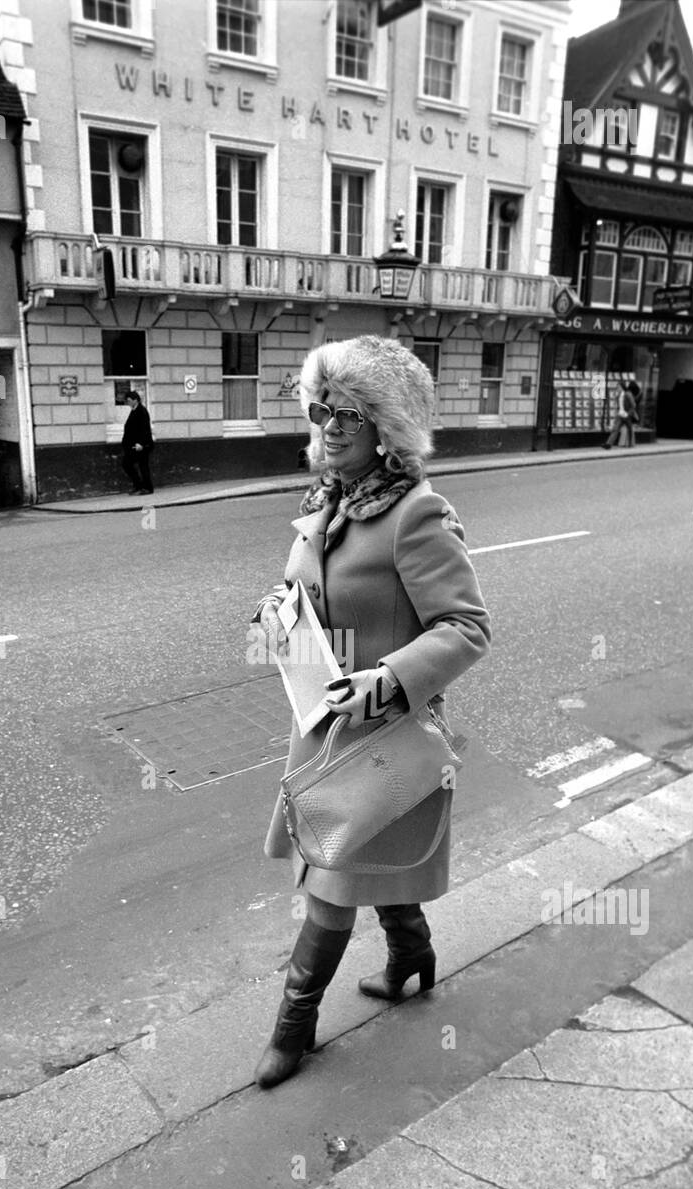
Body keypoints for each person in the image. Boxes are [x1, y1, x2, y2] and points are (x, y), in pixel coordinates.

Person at [250, 335, 491, 1088]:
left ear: (385, 431)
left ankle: (293, 1028)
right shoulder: (324, 503)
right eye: (318, 409)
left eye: (345, 414)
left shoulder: (416, 514)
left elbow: (465, 628)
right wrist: (277, 613)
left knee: (331, 882)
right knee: (361, 863)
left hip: (382, 737)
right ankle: (412, 957)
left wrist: (385, 681)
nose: (325, 427)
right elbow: (312, 594)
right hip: (319, 729)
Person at [121, 390, 154, 493]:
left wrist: (141, 444)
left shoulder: (142, 411)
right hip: (133, 446)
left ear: (135, 400)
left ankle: (148, 488)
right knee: (127, 464)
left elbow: (145, 429)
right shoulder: (134, 410)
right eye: (127, 401)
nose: (128, 402)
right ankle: (139, 485)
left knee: (142, 466)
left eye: (129, 400)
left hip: (141, 446)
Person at [604, 378, 638, 449]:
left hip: (627, 415)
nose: (617, 388)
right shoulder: (619, 395)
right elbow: (618, 405)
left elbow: (633, 405)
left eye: (618, 387)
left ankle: (630, 444)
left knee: (629, 429)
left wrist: (628, 414)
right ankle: (608, 444)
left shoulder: (628, 394)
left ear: (622, 387)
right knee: (615, 429)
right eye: (617, 387)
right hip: (620, 415)